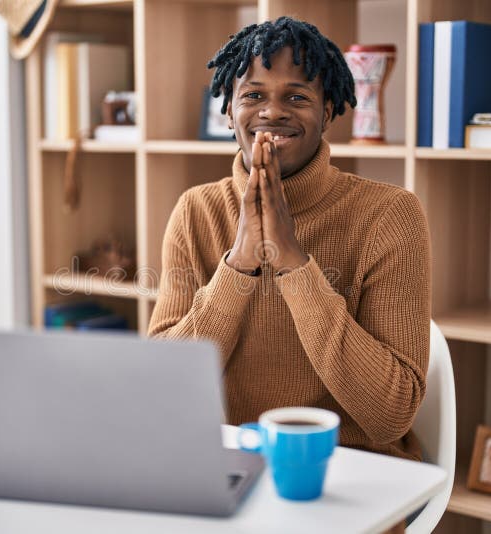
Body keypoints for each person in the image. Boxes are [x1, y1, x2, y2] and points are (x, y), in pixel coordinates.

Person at [148, 16, 431, 463]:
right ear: (228, 112)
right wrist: (239, 264)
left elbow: (391, 415)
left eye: (297, 97)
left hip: (353, 466)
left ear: (329, 113)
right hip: (230, 460)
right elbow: (160, 389)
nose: (272, 112)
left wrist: (294, 263)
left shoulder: (390, 215)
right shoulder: (195, 212)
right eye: (253, 95)